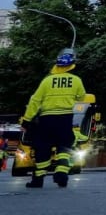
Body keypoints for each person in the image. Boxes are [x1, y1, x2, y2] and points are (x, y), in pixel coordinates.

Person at [21, 48, 86, 188]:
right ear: (72, 65)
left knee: (42, 149)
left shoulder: (46, 81)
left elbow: (35, 101)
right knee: (65, 147)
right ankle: (61, 174)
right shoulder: (76, 80)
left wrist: (26, 120)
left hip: (46, 119)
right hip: (65, 118)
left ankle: (38, 180)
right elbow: (81, 97)